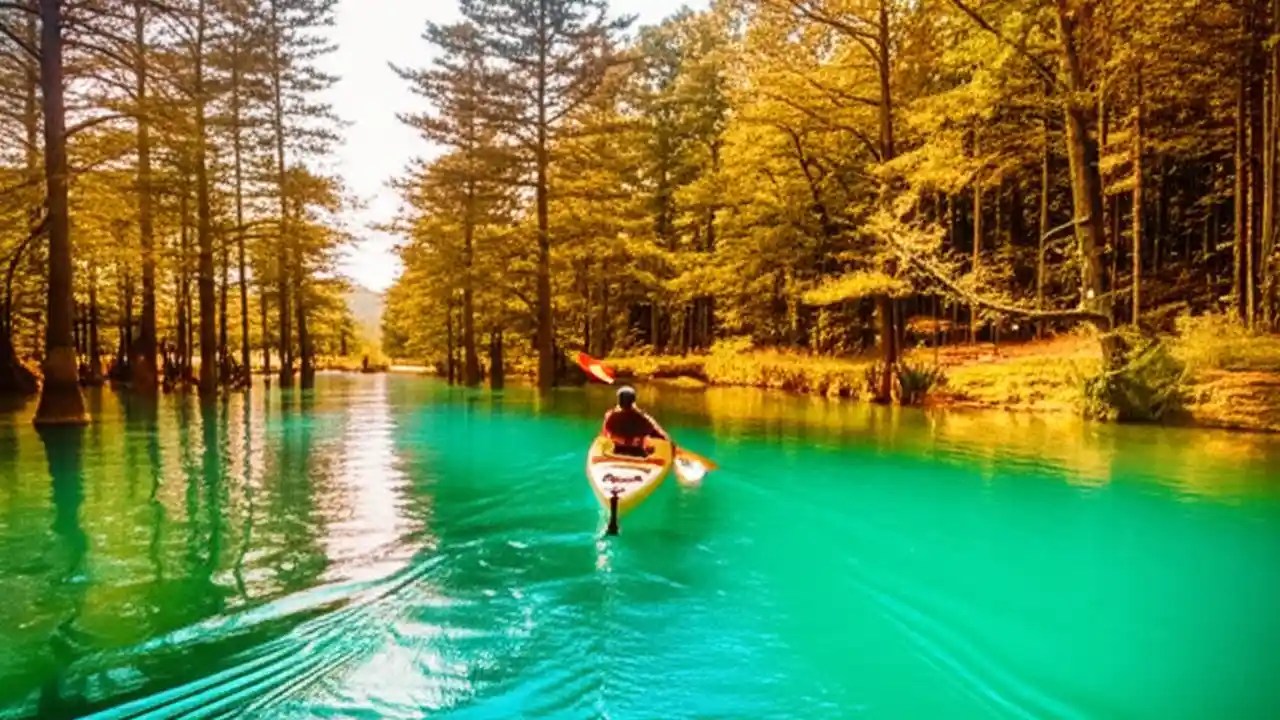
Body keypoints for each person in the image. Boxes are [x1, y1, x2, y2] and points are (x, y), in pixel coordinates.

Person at [602, 385, 671, 457]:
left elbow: (605, 434)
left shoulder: (611, 417)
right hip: (638, 454)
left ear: (619, 401)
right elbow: (661, 436)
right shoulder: (642, 418)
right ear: (633, 401)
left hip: (617, 453)